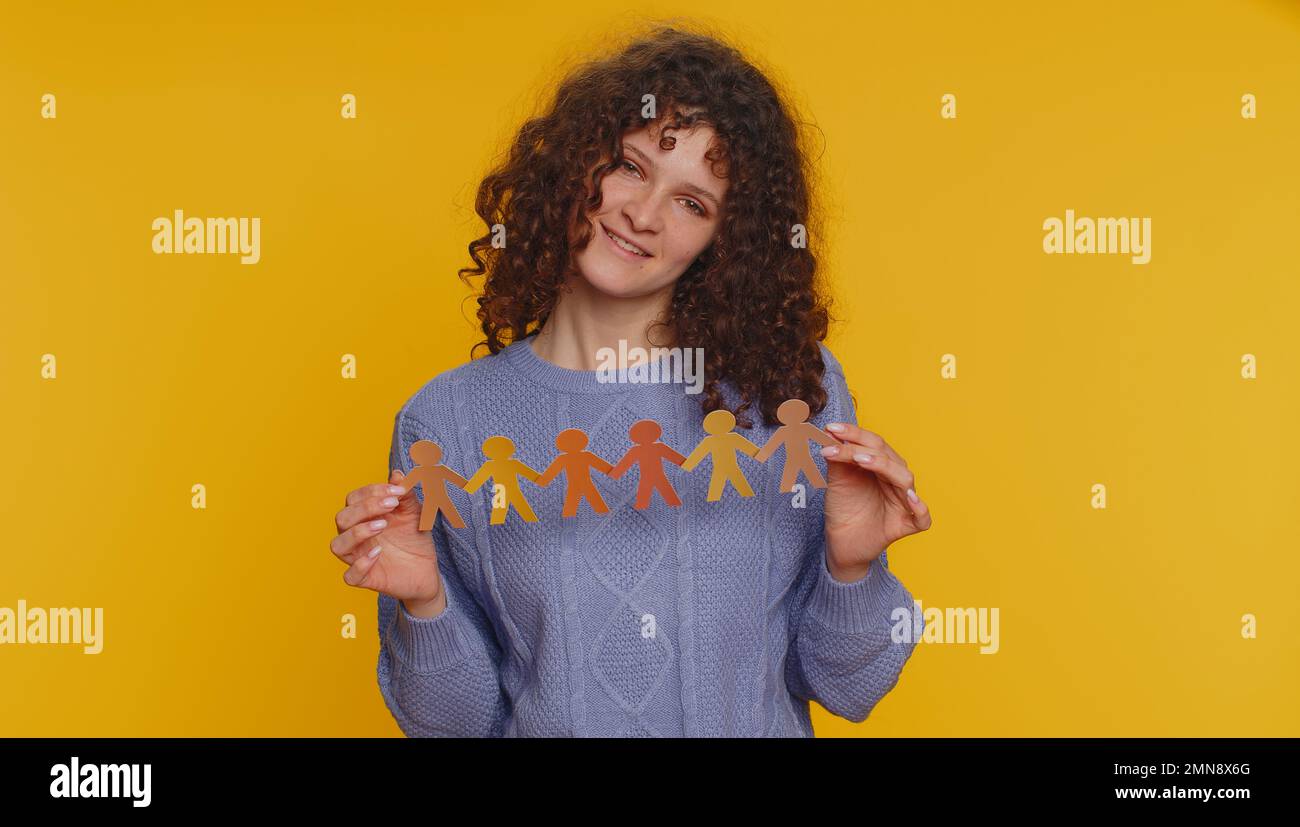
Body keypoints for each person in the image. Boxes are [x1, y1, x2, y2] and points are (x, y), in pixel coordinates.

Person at [329, 24, 932, 737]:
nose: (642, 215)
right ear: (579, 161)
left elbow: (847, 686)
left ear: (724, 240)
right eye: (631, 166)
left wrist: (851, 569)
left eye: (693, 203)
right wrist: (424, 603)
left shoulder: (790, 392)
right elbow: (456, 724)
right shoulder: (447, 421)